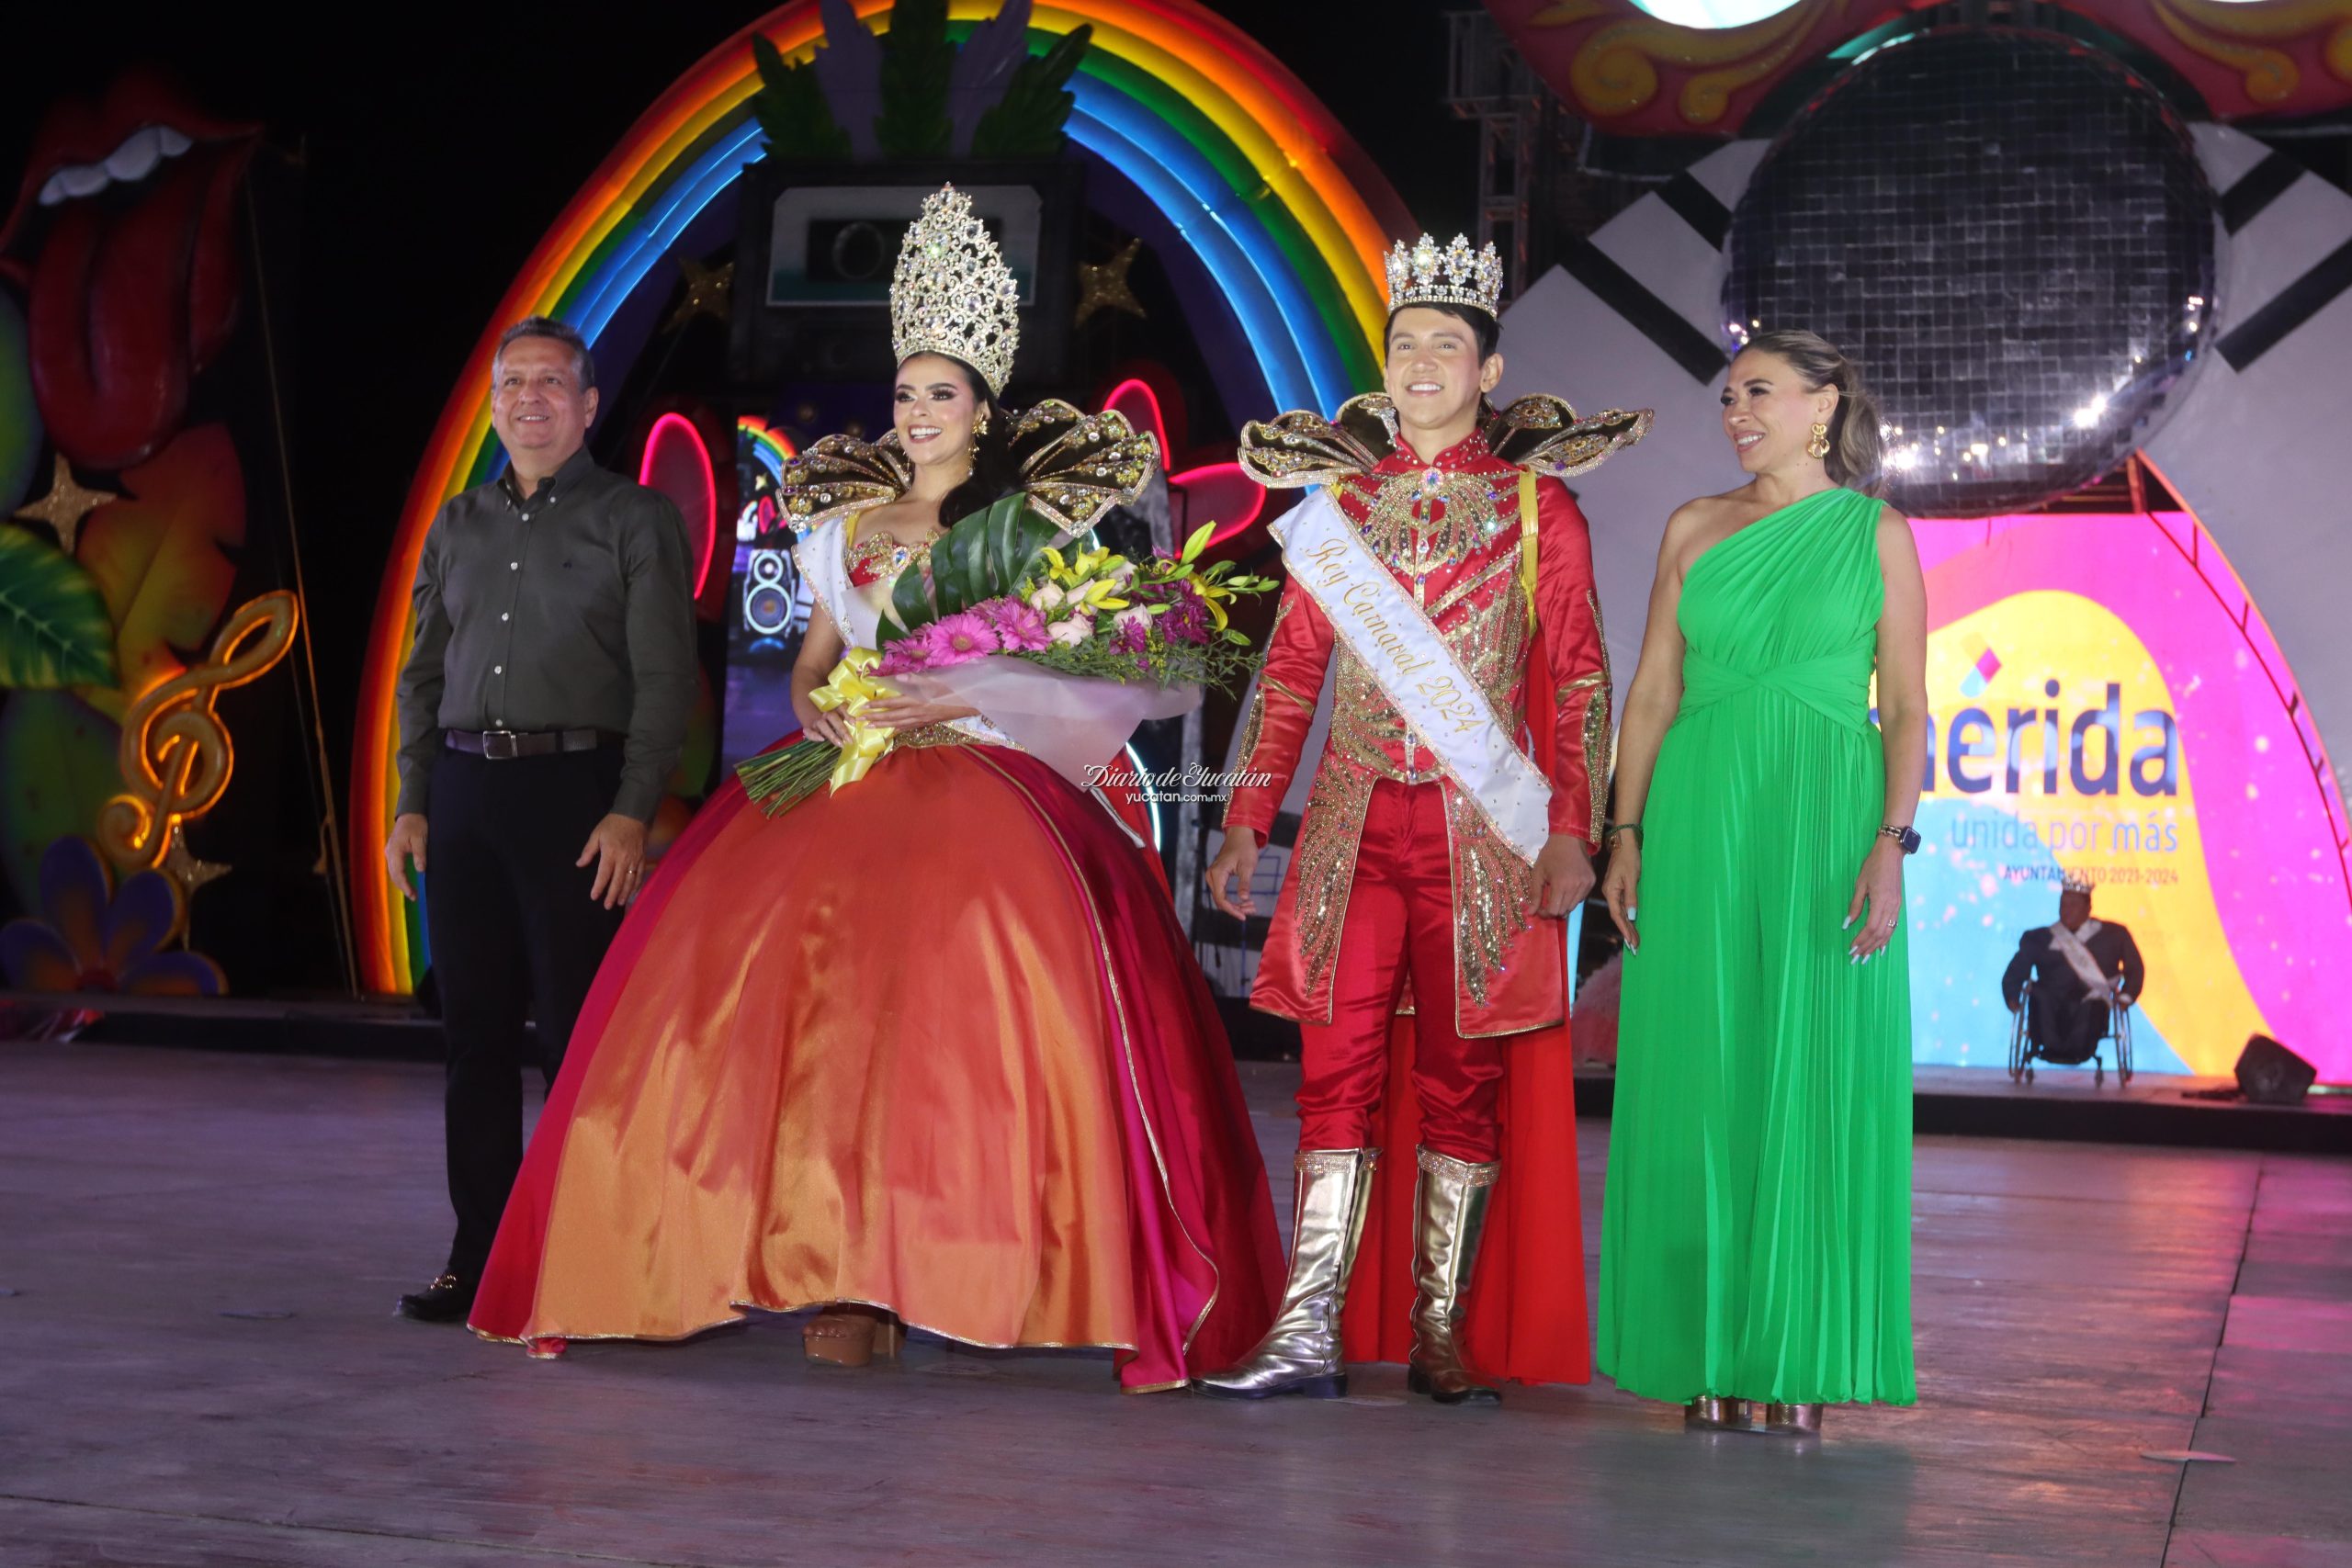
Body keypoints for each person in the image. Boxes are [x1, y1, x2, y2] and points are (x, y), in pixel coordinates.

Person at [465, 187, 1283, 1391]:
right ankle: (838, 1274)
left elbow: (1076, 657)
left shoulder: (1025, 527)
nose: (917, 413)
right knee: (812, 1028)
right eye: (904, 393)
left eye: (940, 394)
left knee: (970, 1025)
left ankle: (976, 1260)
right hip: (840, 784)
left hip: (981, 786)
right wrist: (817, 705)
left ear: (980, 407)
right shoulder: (840, 526)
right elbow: (814, 659)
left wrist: (947, 701)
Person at [1196, 234, 1649, 1405]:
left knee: (1460, 1080)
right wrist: (1247, 815)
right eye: (1405, 344)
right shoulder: (1337, 509)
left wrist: (1573, 830)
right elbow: (1291, 673)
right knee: (1332, 1074)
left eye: (1447, 345)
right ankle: (1305, 1331)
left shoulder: (1539, 508)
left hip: (1481, 840)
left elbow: (1580, 680)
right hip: (1351, 831)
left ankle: (1437, 1330)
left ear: (1487, 371)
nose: (1423, 362)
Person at [1597, 328, 1926, 1438]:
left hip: (1826, 814)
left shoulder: (1876, 533)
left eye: (1760, 393)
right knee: (1703, 1065)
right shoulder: (1693, 525)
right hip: (1699, 810)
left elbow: (1907, 707)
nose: (1736, 412)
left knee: (1811, 1062)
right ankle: (1703, 1348)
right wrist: (1624, 831)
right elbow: (1651, 693)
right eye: (1730, 396)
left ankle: (1798, 1352)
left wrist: (1891, 842)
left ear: (1823, 406)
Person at [385, 317, 696, 1324]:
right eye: (513, 383)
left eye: (551, 382)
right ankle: (479, 1260)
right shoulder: (459, 523)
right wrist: (413, 800)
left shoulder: (635, 518)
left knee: (578, 1042)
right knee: (472, 1040)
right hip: (464, 796)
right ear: (493, 406)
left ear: (588, 404)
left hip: (577, 798)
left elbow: (666, 680)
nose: (530, 398)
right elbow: (420, 674)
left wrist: (632, 811)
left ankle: (588, 1264)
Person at [2003, 874, 2144, 1063]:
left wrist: (2126, 996)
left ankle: (2077, 1051)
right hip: (2049, 1000)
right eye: (2063, 904)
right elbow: (2017, 970)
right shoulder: (2038, 937)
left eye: (2073, 905)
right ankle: (2050, 1049)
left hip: (2092, 999)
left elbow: (2135, 968)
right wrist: (2012, 996)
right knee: (2039, 995)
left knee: (2090, 1005)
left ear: (2088, 908)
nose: (2066, 910)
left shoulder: (2114, 935)